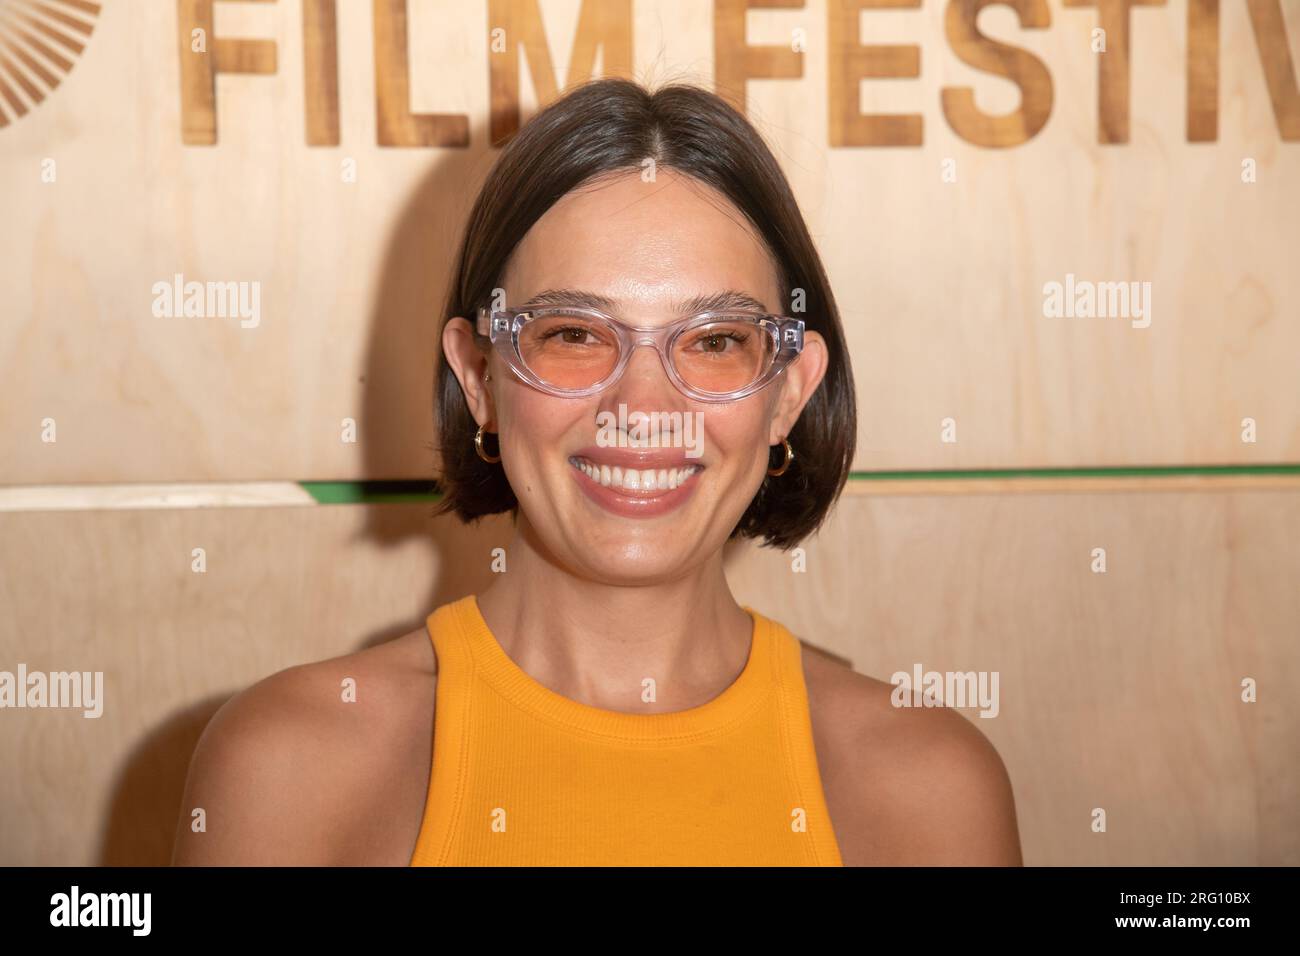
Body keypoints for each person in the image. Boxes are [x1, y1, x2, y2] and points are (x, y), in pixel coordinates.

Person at [172, 76, 1022, 866]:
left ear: (789, 395)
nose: (641, 407)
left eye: (716, 341)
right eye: (574, 334)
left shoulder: (931, 790)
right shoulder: (287, 769)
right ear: (479, 380)